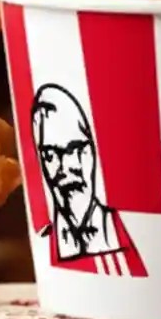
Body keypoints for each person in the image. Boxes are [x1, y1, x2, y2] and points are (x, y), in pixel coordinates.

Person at [32, 84, 146, 276]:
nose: (65, 167)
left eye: (76, 149)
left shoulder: (123, 234)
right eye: (51, 155)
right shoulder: (46, 240)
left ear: (93, 152)